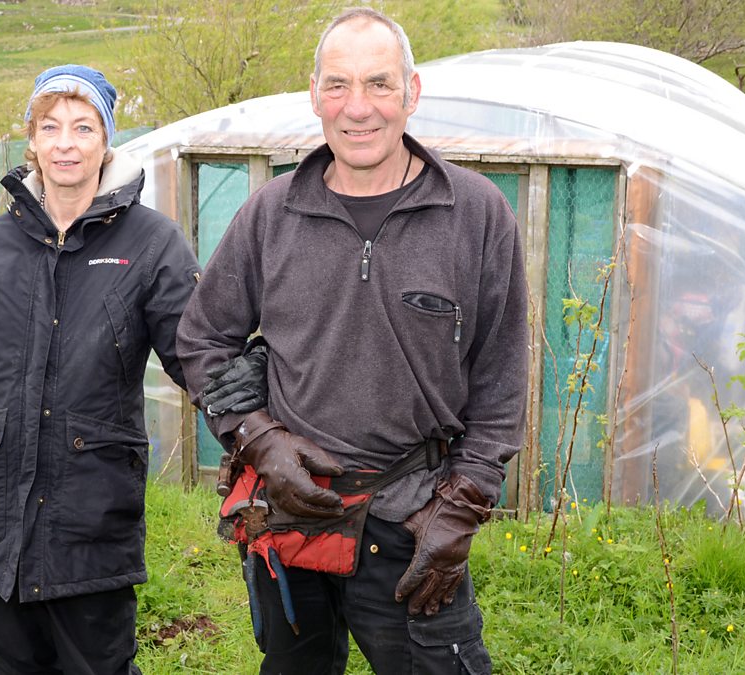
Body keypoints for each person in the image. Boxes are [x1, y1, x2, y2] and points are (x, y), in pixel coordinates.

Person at [176, 8, 528, 674]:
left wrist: (462, 507)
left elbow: (501, 385)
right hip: (287, 512)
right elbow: (201, 339)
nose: (357, 107)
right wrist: (259, 440)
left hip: (412, 518)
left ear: (412, 93)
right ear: (314, 94)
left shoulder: (477, 214)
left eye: (379, 84)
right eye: (338, 85)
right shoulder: (270, 214)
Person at [0, 64, 200, 675]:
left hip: (89, 517)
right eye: (50, 126)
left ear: (106, 141)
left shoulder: (152, 242)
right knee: (9, 663)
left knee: (99, 665)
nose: (65, 142)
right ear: (30, 138)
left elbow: (198, 354)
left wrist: (255, 427)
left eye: (84, 127)